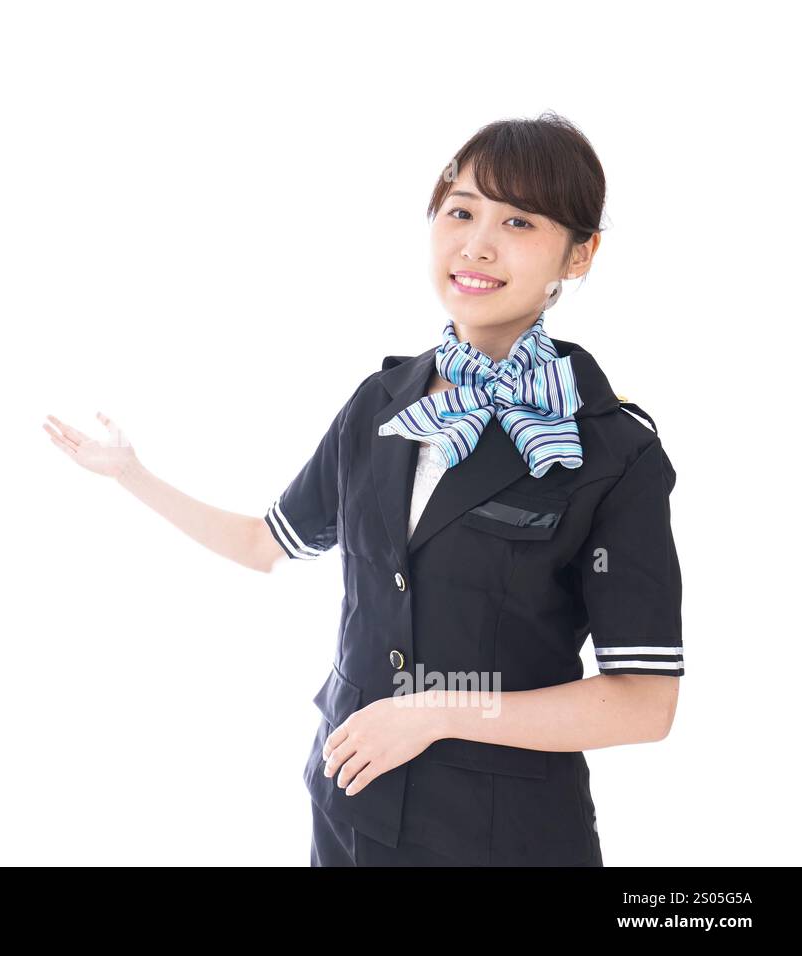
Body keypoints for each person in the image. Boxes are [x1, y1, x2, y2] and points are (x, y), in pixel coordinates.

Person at [42, 111, 682, 866]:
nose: (476, 244)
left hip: (501, 837)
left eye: (518, 220)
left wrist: (439, 710)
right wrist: (132, 476)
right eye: (460, 210)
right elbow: (263, 543)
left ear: (579, 256)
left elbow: (645, 702)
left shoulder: (612, 451)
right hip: (347, 815)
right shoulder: (381, 406)